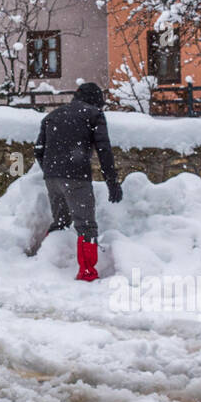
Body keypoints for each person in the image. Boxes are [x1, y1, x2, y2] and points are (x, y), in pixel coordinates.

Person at [33, 82, 123, 281]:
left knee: (61, 222)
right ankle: (87, 272)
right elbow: (104, 150)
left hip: (52, 177)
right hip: (76, 178)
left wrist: (51, 171)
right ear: (97, 101)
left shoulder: (51, 116)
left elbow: (38, 150)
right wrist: (112, 182)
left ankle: (47, 262)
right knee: (86, 226)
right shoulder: (94, 115)